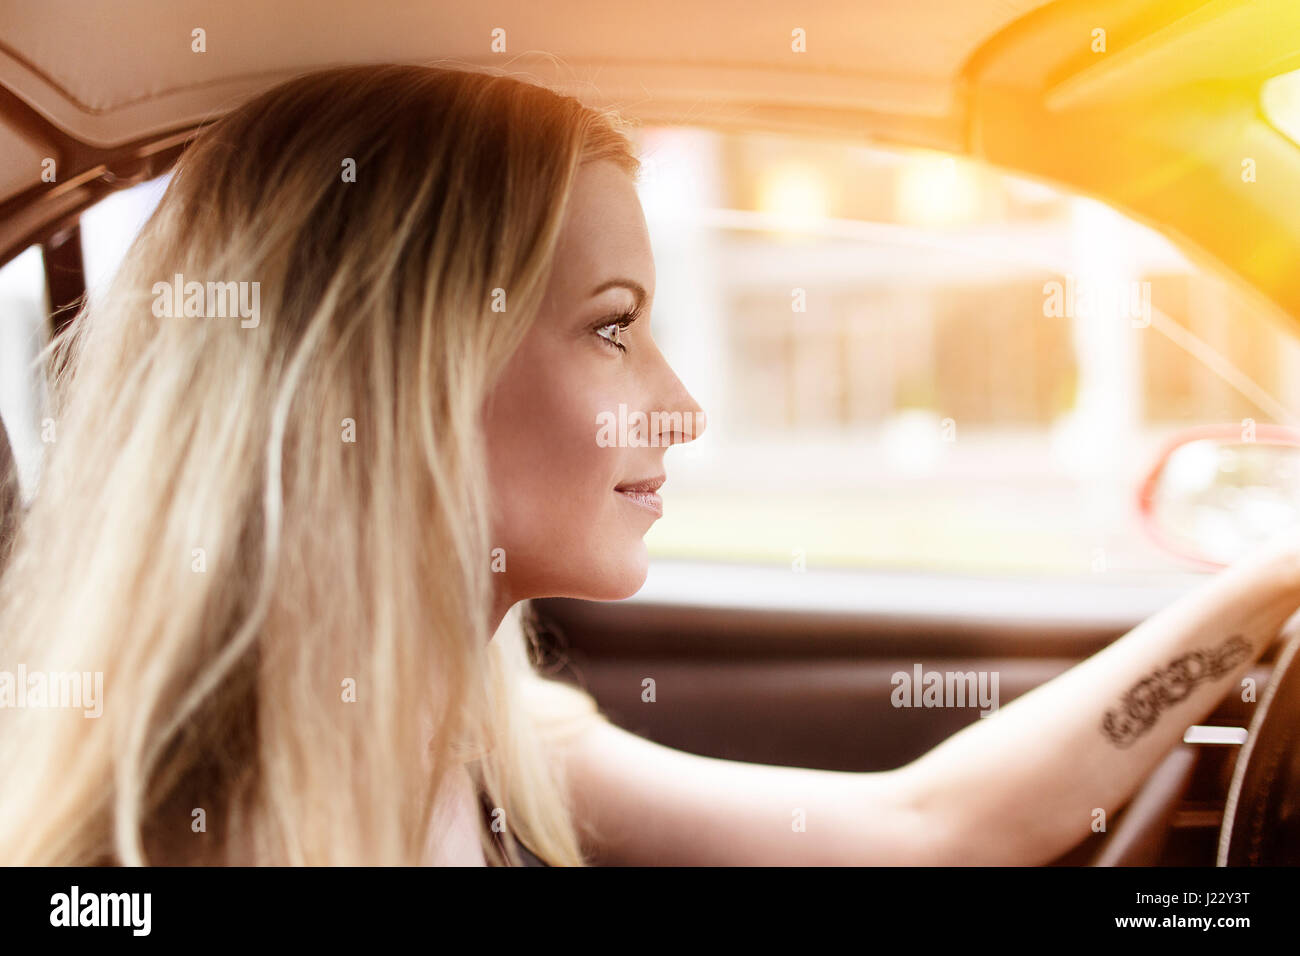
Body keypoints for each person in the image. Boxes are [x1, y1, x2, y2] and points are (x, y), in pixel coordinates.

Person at [0, 63, 1297, 866]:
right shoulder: (173, 842)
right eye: (615, 328)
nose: (682, 409)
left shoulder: (480, 733)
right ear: (404, 371)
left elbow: (925, 835)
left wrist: (1262, 592)